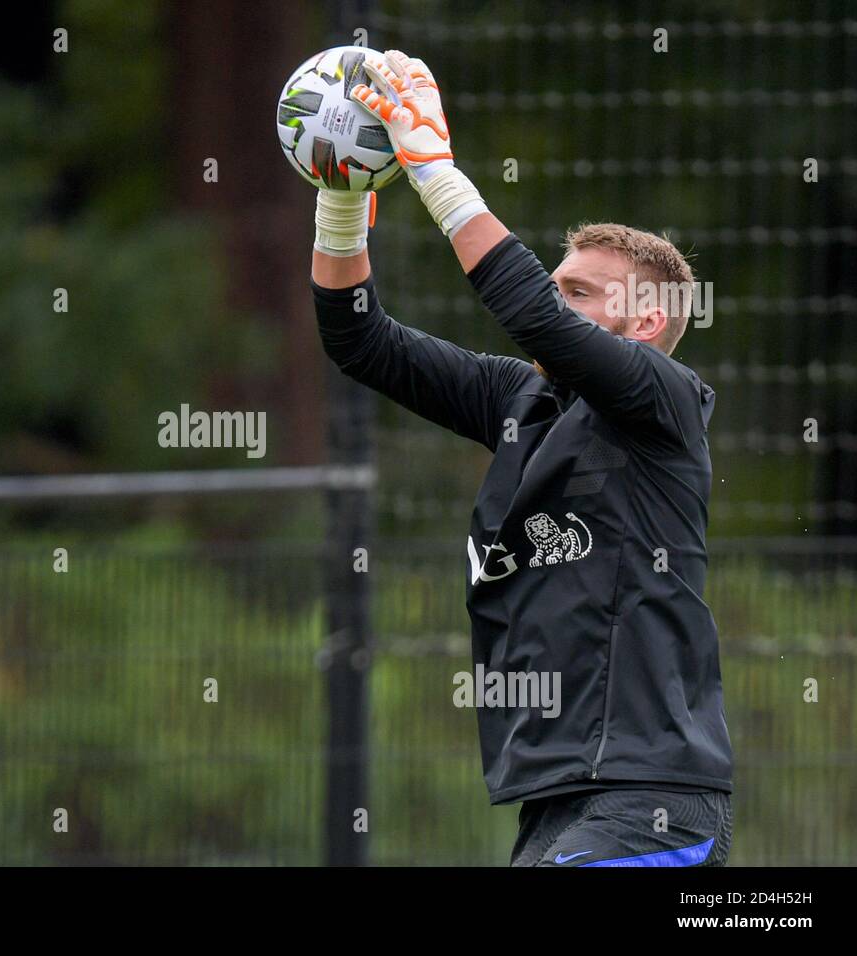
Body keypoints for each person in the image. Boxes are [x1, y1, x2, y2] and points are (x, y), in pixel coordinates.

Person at [310, 49, 734, 866]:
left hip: (650, 801)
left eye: (579, 291)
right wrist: (340, 187)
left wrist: (433, 167)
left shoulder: (663, 401)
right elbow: (360, 339)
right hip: (554, 805)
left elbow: (533, 314)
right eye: (559, 282)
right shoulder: (522, 404)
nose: (555, 295)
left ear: (645, 322)